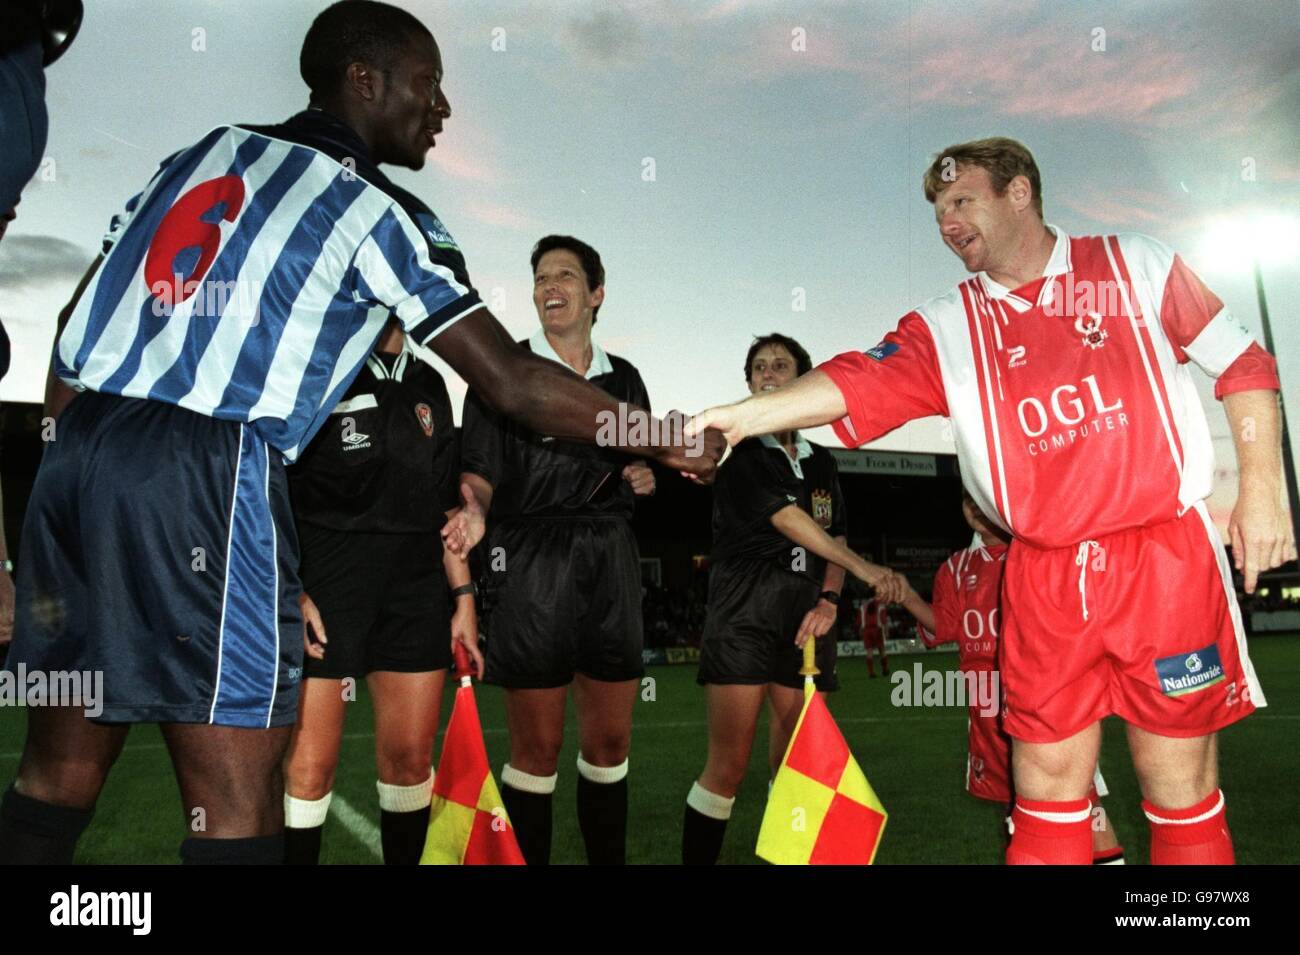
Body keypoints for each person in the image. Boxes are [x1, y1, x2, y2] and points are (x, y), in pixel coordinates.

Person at [0, 0, 720, 866]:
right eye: (429, 84)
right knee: (237, 804)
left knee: (53, 778)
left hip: (75, 455)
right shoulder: (381, 212)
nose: (443, 108)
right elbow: (510, 380)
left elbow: (78, 323)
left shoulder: (198, 156)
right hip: (208, 470)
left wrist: (52, 468)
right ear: (364, 80)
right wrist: (660, 432)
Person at [689, 137, 1294, 865]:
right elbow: (856, 380)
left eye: (960, 200)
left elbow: (1244, 361)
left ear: (1019, 193)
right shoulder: (948, 325)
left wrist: (1262, 490)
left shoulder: (1136, 263)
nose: (946, 221)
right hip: (1039, 573)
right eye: (938, 209)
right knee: (1042, 799)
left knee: (1179, 790)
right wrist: (740, 415)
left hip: (1159, 558)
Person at [456, 235, 655, 866]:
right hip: (531, 556)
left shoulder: (624, 379)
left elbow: (639, 459)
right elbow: (480, 470)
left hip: (610, 553)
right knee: (536, 750)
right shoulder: (502, 371)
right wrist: (476, 508)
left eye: (565, 275)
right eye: (541, 277)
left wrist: (641, 475)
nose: (550, 286)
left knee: (610, 742)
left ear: (596, 294)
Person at [680, 333, 905, 866]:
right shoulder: (738, 459)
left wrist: (830, 600)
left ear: (803, 382)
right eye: (759, 367)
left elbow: (836, 536)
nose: (769, 373)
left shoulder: (822, 463)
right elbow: (791, 521)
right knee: (727, 768)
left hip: (805, 621)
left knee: (796, 764)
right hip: (743, 616)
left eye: (781, 366)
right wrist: (865, 570)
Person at [281, 317, 480, 865]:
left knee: (411, 762)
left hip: (414, 582)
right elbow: (271, 481)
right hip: (329, 577)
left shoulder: (430, 382)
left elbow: (447, 508)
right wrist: (288, 586)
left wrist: (463, 598)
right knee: (309, 767)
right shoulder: (317, 365)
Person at [895, 491, 1125, 864]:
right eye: (967, 497)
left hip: (1042, 700)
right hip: (986, 709)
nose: (974, 505)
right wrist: (907, 597)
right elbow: (946, 627)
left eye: (980, 495)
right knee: (1013, 811)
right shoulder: (955, 568)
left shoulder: (1039, 552)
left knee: (1081, 803)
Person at [857, 594, 889, 677]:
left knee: (869, 651)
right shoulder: (880, 605)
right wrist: (886, 631)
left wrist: (860, 631)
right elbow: (884, 620)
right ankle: (885, 669)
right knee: (881, 650)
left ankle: (871, 672)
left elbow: (859, 621)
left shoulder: (862, 606)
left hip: (866, 630)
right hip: (877, 629)